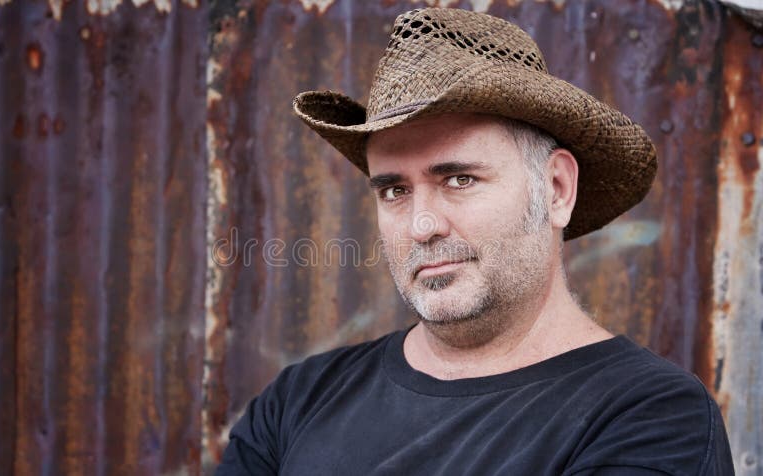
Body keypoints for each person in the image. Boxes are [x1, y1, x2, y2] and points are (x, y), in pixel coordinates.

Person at [217, 8, 734, 475]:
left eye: (459, 179)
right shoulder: (297, 402)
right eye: (394, 190)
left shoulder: (651, 416)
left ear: (555, 189)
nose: (422, 226)